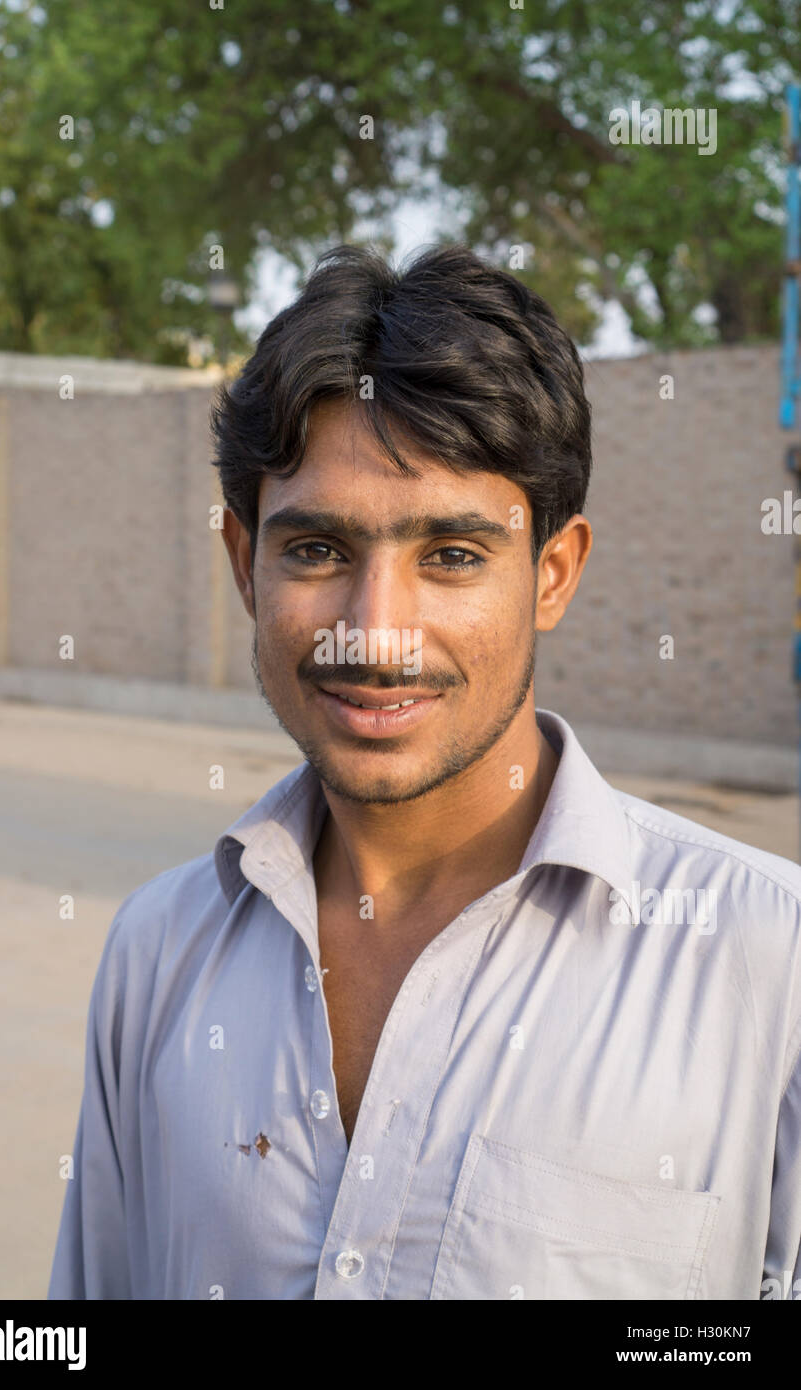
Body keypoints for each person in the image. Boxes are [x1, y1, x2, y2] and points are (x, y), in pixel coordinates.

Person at [49, 243, 801, 1300]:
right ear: (241, 563)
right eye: (315, 550)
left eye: (450, 555)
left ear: (551, 572)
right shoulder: (157, 952)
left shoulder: (767, 964)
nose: (376, 633)